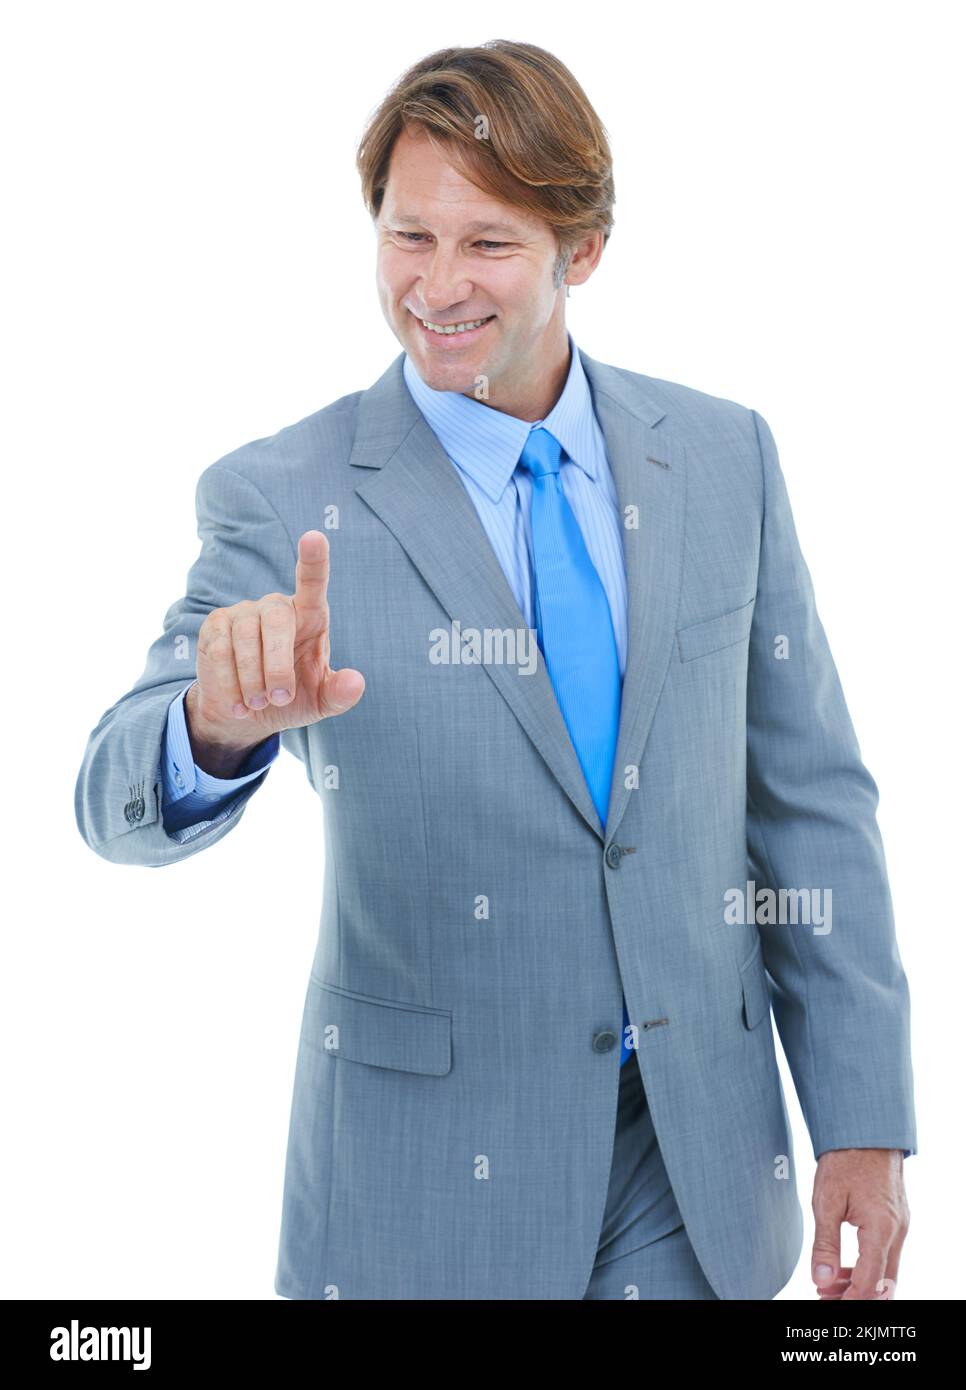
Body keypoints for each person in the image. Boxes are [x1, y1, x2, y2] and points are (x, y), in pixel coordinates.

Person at [75, 39, 915, 1300]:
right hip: (422, 1202)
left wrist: (861, 1114)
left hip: (692, 1169)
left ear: (583, 253)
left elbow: (809, 803)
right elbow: (109, 803)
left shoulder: (725, 456)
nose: (437, 287)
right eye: (409, 237)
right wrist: (210, 726)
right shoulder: (283, 495)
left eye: (488, 244)